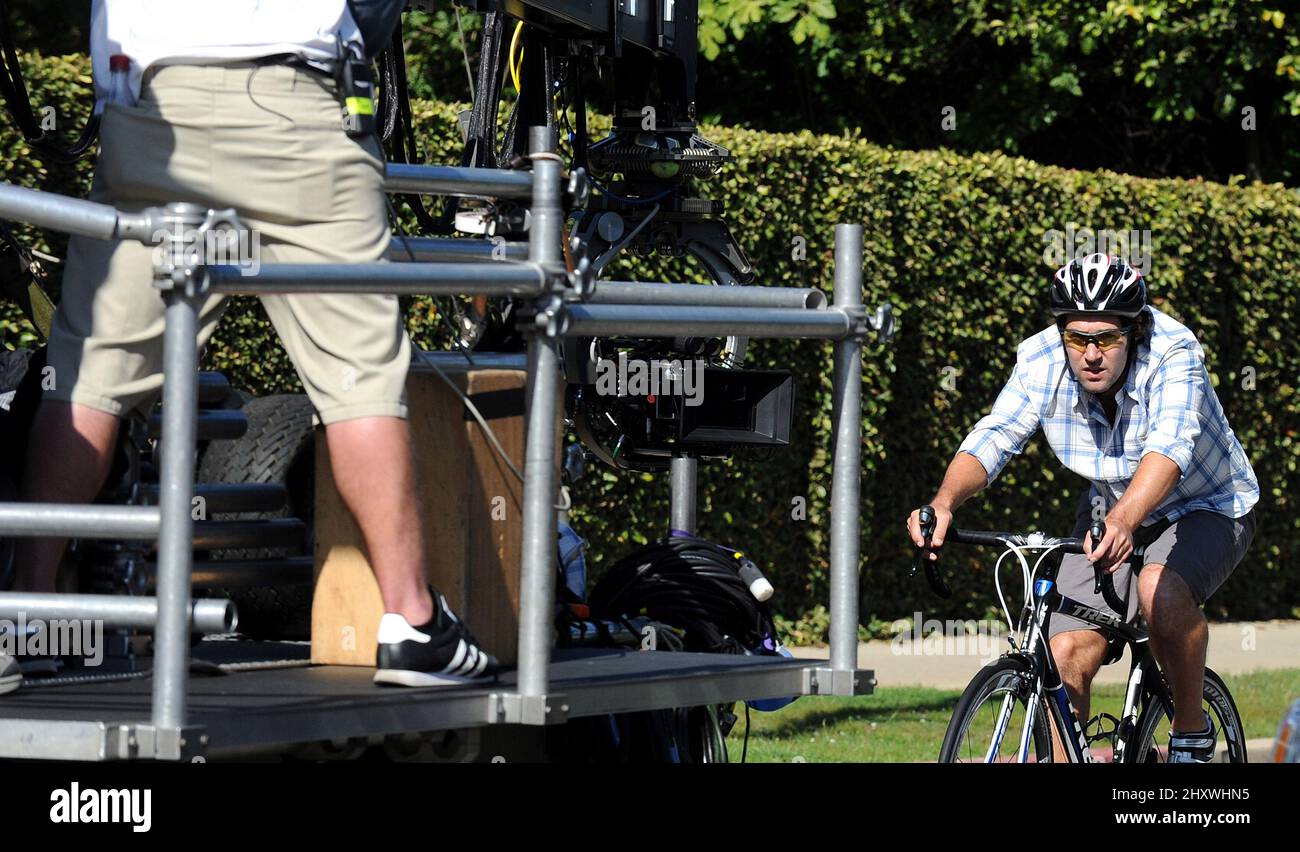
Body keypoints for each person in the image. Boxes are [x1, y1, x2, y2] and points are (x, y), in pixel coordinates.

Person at [2, 0, 497, 695]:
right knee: (360, 381)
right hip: (295, 106)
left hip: (155, 115)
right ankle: (412, 621)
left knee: (90, 374)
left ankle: (30, 609)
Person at [907, 253, 1259, 762]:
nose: (1091, 353)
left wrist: (1123, 521)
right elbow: (995, 437)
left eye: (1107, 339)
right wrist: (943, 503)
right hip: (1110, 506)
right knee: (1064, 648)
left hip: (1209, 504)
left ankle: (1190, 733)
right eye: (1077, 338)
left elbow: (1170, 449)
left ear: (1134, 331)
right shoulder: (1040, 360)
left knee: (1158, 589)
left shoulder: (1174, 352)